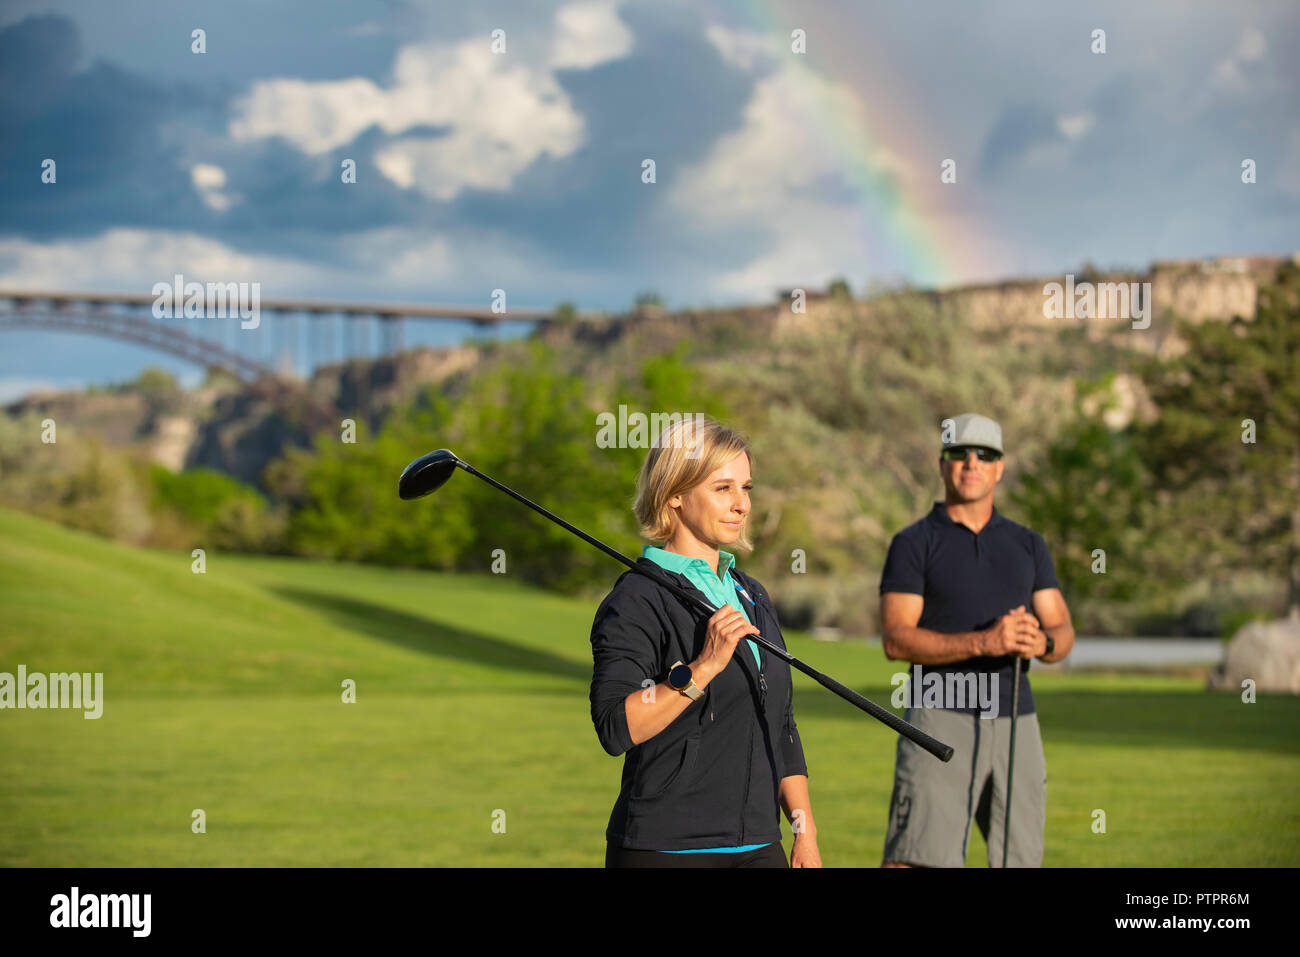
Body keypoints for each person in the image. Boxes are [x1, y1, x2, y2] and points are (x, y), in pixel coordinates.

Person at [589, 416, 822, 868]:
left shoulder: (751, 594)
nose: (741, 505)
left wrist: (804, 832)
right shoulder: (637, 599)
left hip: (759, 846)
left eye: (746, 488)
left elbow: (782, 724)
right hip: (667, 848)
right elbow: (617, 726)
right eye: (723, 488)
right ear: (674, 494)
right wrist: (704, 667)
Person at [878, 413, 1074, 867]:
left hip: (1015, 722)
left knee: (1020, 860)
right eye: (959, 453)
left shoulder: (1029, 545)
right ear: (943, 464)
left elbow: (1062, 630)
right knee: (916, 858)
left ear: (999, 467)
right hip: (939, 711)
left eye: (984, 455)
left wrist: (1039, 643)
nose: (972, 462)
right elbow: (896, 640)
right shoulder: (913, 543)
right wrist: (984, 642)